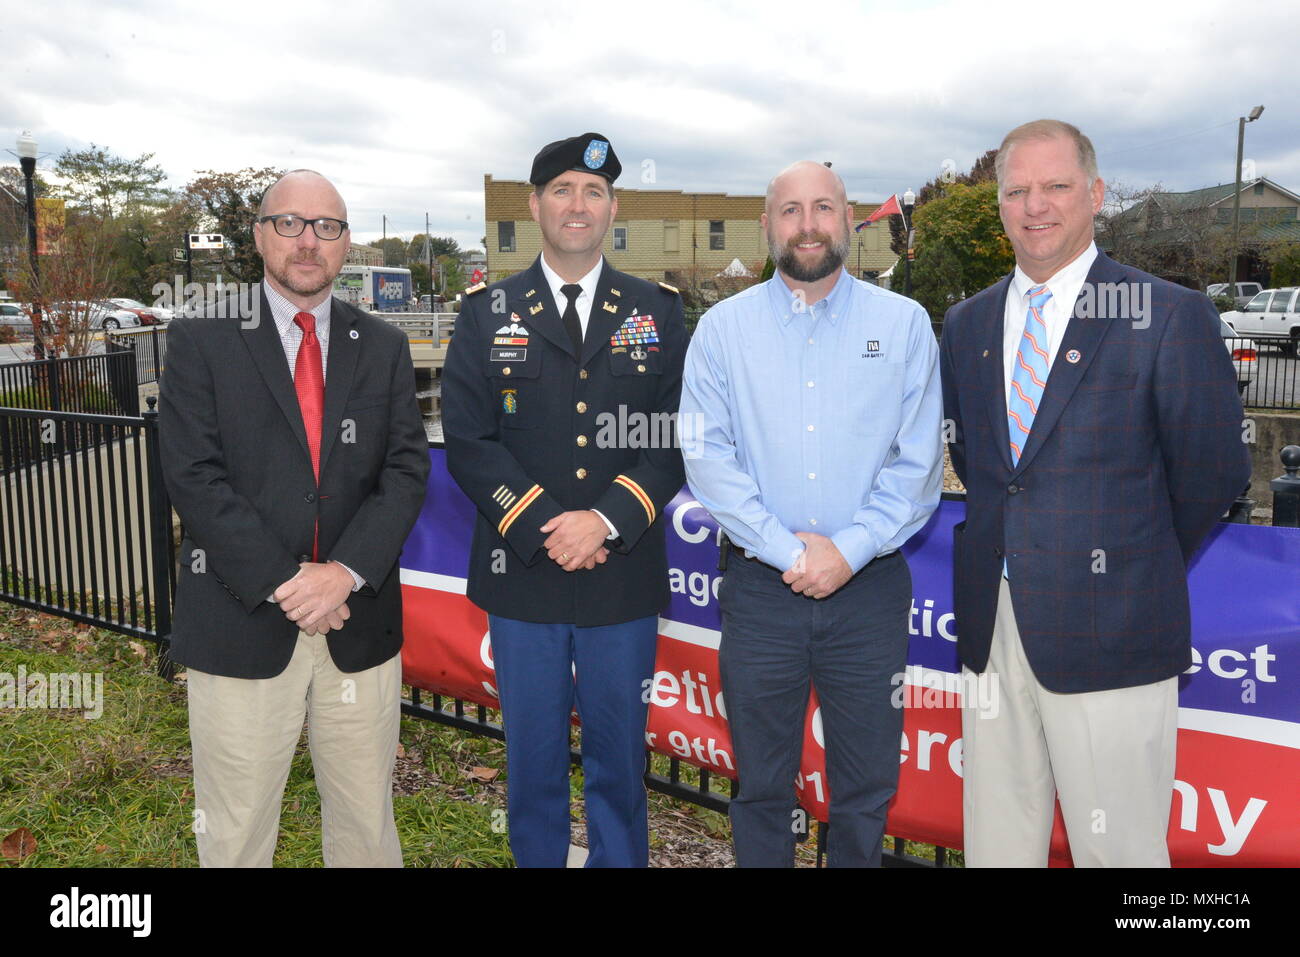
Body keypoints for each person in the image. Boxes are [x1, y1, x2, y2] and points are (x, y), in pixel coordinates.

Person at [939, 120, 1251, 867]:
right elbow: (979, 460)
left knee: (1120, 852)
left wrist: (1127, 560)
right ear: (999, 204)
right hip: (996, 628)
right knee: (997, 844)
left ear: (1097, 194)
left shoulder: (1168, 316)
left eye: (1055, 186)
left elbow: (1213, 473)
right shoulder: (966, 322)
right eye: (1016, 189)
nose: (1034, 205)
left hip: (1114, 629)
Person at [159, 169, 430, 867]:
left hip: (357, 625)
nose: (308, 241)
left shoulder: (385, 347)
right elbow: (194, 475)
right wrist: (290, 582)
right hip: (240, 621)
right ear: (258, 236)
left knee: (366, 826)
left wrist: (341, 574)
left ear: (345, 245)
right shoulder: (202, 340)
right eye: (290, 223)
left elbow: (406, 472)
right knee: (236, 828)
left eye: (327, 226)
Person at [679, 160, 943, 867]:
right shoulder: (721, 332)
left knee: (865, 788)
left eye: (823, 207)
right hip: (763, 590)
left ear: (848, 222)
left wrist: (847, 550)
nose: (807, 224)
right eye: (789, 210)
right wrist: (790, 552)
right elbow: (709, 459)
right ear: (766, 225)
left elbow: (916, 465)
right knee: (762, 785)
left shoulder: (905, 325)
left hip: (870, 592)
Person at [441, 133, 687, 867]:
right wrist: (551, 525)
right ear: (534, 204)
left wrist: (605, 520)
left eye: (594, 191)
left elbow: (674, 437)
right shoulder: (489, 311)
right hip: (526, 578)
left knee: (620, 769)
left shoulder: (657, 310)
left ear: (613, 206)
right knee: (534, 767)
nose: (578, 205)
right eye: (562, 190)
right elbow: (469, 440)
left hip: (621, 576)